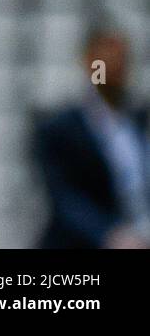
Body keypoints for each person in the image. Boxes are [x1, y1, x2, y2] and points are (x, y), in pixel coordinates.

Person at [34, 25, 150, 248]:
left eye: (121, 57)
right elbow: (65, 199)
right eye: (105, 59)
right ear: (87, 61)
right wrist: (111, 234)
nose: (115, 66)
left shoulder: (139, 119)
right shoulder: (60, 128)